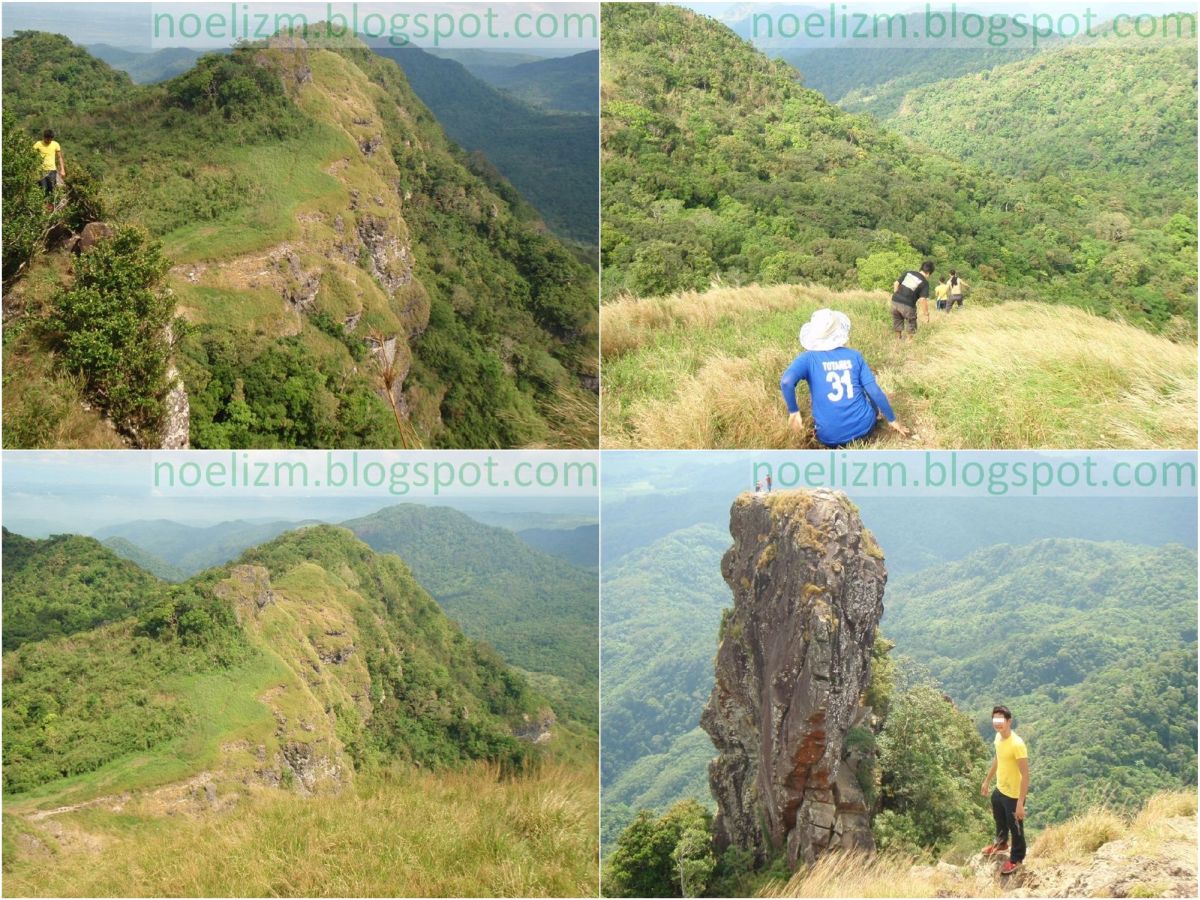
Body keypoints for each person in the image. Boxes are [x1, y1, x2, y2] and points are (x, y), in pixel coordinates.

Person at [781, 309, 911, 448]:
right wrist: (892, 419)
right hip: (864, 429)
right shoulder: (854, 356)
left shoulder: (807, 359)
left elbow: (786, 381)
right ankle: (875, 418)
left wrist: (794, 412)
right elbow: (873, 391)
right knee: (864, 392)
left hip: (829, 438)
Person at [980, 705, 1029, 875]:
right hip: (1001, 789)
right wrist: (987, 781)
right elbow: (998, 759)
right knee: (999, 817)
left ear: (1009, 721)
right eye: (995, 720)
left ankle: (1016, 859)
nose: (998, 723)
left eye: (1001, 720)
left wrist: (1020, 804)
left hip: (1014, 795)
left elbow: (1025, 775)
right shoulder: (998, 738)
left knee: (1016, 828)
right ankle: (1001, 843)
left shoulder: (1017, 744)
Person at [890, 261, 934, 339]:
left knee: (897, 320)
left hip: (895, 301)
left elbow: (896, 283)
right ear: (928, 273)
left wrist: (896, 295)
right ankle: (909, 343)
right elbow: (923, 299)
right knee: (911, 323)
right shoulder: (924, 282)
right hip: (908, 304)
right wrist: (926, 314)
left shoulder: (909, 273)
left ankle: (897, 340)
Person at [33, 129, 65, 210]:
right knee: (43, 189)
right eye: (47, 139)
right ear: (44, 137)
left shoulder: (55, 144)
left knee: (51, 189)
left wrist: (62, 169)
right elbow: (31, 155)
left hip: (52, 170)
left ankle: (50, 208)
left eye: (50, 139)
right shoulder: (38, 144)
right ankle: (42, 207)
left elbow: (59, 157)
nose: (49, 140)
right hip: (41, 171)